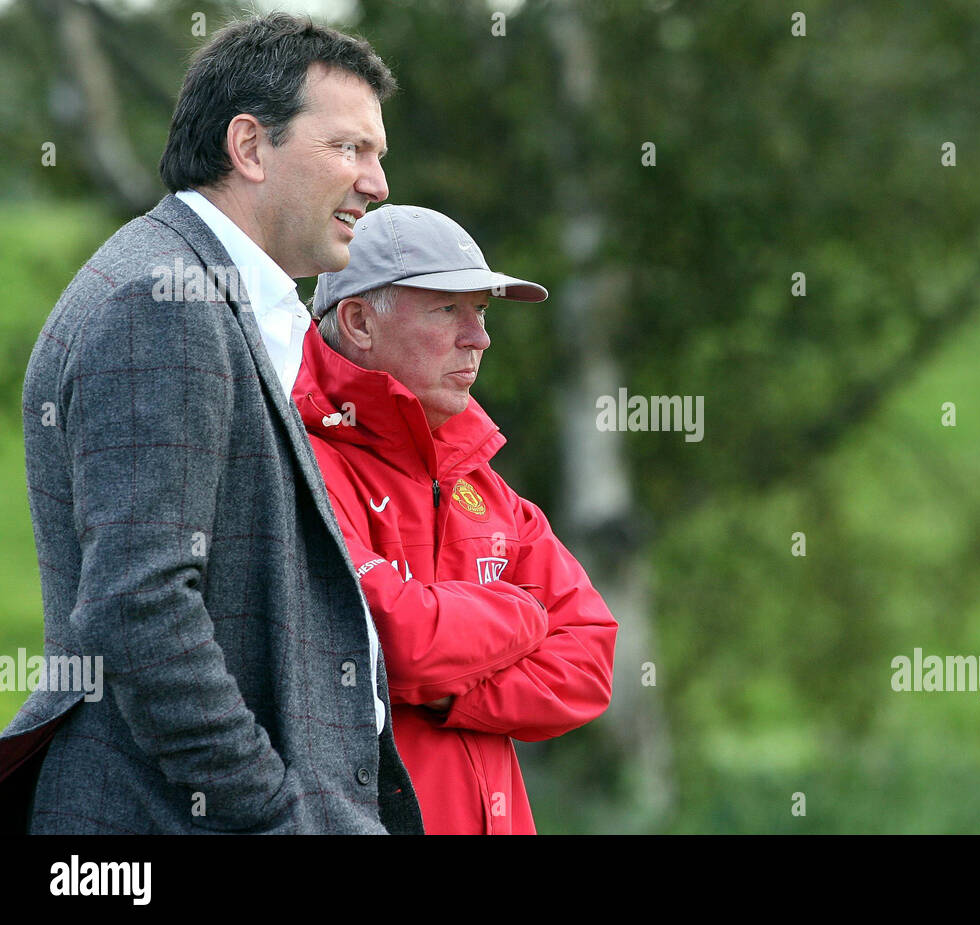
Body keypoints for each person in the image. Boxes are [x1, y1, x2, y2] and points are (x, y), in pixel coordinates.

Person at [0, 13, 423, 834]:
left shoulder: (197, 293)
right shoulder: (162, 301)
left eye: (380, 156)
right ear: (250, 147)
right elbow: (139, 606)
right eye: (351, 150)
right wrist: (275, 811)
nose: (377, 183)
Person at [293, 204, 618, 833]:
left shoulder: (483, 481)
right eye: (448, 309)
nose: (480, 337)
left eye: (482, 311)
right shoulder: (301, 464)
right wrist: (525, 614)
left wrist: (451, 694)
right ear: (358, 321)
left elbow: (590, 663)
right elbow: (401, 647)